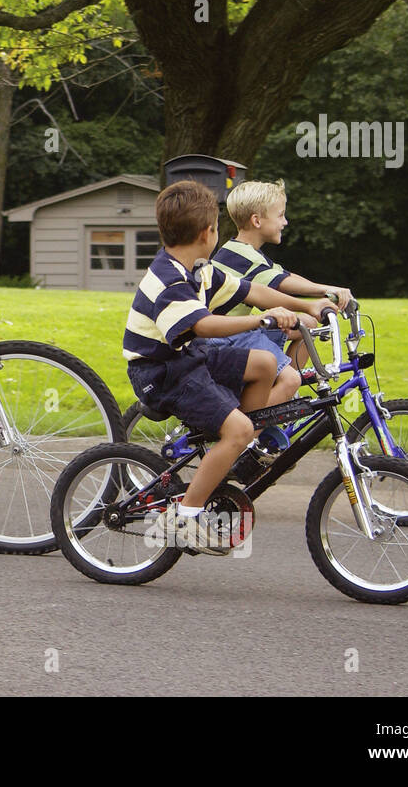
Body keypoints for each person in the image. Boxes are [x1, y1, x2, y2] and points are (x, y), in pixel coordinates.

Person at [123, 180, 326, 554]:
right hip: (162, 373)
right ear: (208, 233)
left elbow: (251, 290)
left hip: (189, 356)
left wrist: (306, 306)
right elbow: (203, 325)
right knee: (238, 427)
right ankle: (183, 517)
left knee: (265, 363)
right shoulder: (169, 280)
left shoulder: (198, 268)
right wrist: (259, 321)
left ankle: (238, 451)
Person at [212, 179, 354, 372]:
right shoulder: (242, 258)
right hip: (224, 340)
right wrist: (324, 291)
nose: (285, 222)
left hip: (234, 334)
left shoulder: (241, 251)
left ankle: (289, 393)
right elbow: (281, 284)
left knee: (309, 323)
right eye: (280, 216)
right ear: (256, 221)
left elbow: (284, 275)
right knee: (305, 326)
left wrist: (326, 290)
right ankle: (285, 389)